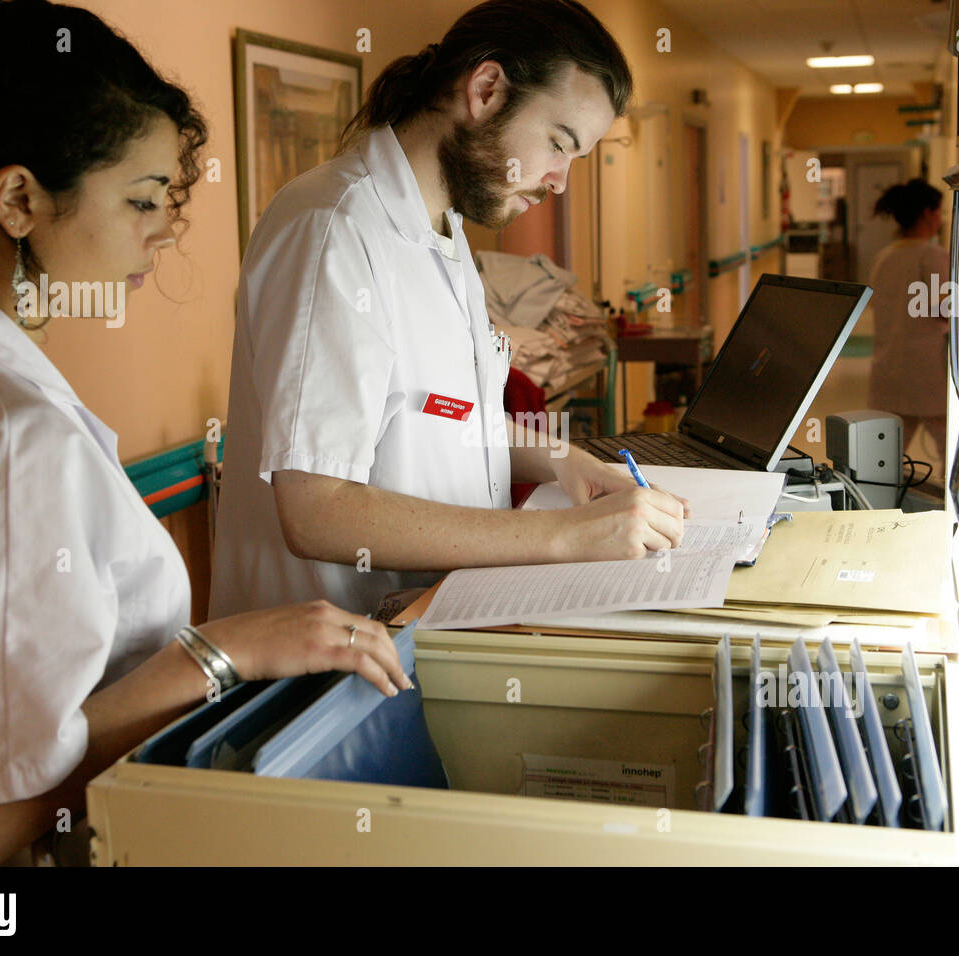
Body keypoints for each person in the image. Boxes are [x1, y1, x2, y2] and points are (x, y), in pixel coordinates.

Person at [0, 0, 409, 867]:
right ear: (17, 199)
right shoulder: (11, 435)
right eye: (141, 199)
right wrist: (225, 650)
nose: (166, 230)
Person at [210, 0, 688, 620]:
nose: (559, 180)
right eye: (557, 144)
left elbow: (449, 421)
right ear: (486, 90)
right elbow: (314, 508)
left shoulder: (444, 231)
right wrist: (569, 537)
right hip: (323, 669)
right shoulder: (335, 228)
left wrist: (570, 461)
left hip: (417, 629)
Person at [866, 178, 951, 465]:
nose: (941, 218)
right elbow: (944, 308)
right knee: (950, 451)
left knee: (885, 460)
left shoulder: (885, 257)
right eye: (940, 211)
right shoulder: (932, 256)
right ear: (928, 213)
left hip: (890, 370)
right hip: (927, 374)